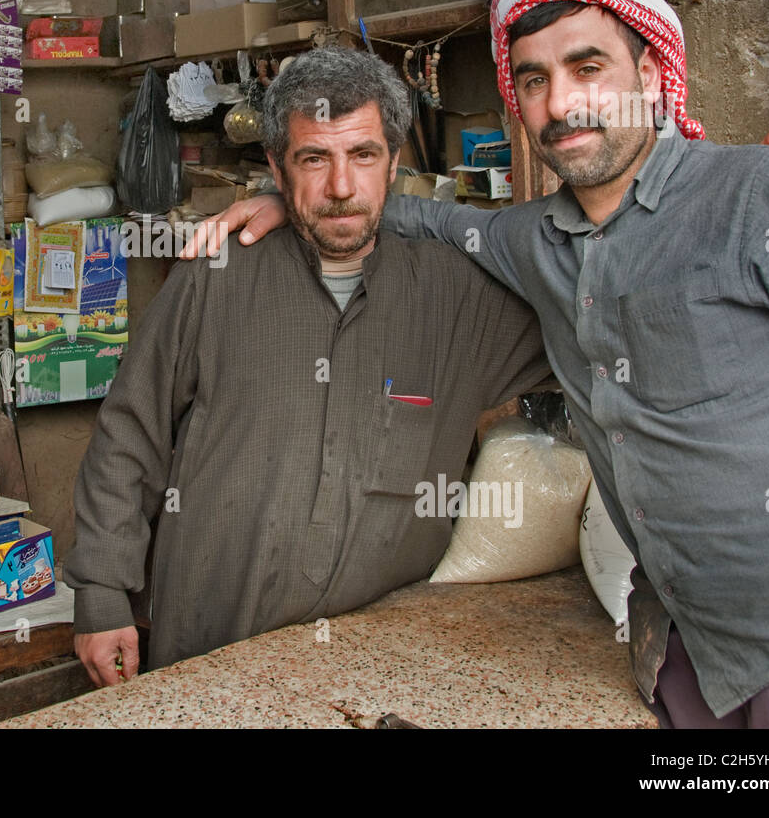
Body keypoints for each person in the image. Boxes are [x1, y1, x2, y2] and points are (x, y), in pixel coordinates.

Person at [186, 0, 769, 728]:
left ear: (652, 75)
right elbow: (431, 220)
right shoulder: (536, 240)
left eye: (588, 67)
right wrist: (297, 197)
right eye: (533, 80)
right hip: (682, 654)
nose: (561, 102)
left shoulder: (765, 191)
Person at [64, 46, 550, 687]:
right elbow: (130, 435)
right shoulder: (216, 278)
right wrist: (101, 593)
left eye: (364, 156)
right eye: (314, 159)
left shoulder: (459, 298)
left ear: (394, 162)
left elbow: (594, 300)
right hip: (208, 652)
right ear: (275, 167)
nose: (341, 187)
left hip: (376, 666)